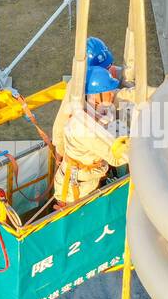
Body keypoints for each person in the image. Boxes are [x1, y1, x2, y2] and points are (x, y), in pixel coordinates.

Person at [51, 64, 130, 206]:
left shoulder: (95, 110)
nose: (112, 94)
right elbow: (116, 156)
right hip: (74, 193)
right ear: (95, 95)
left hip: (83, 183)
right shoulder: (83, 126)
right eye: (109, 91)